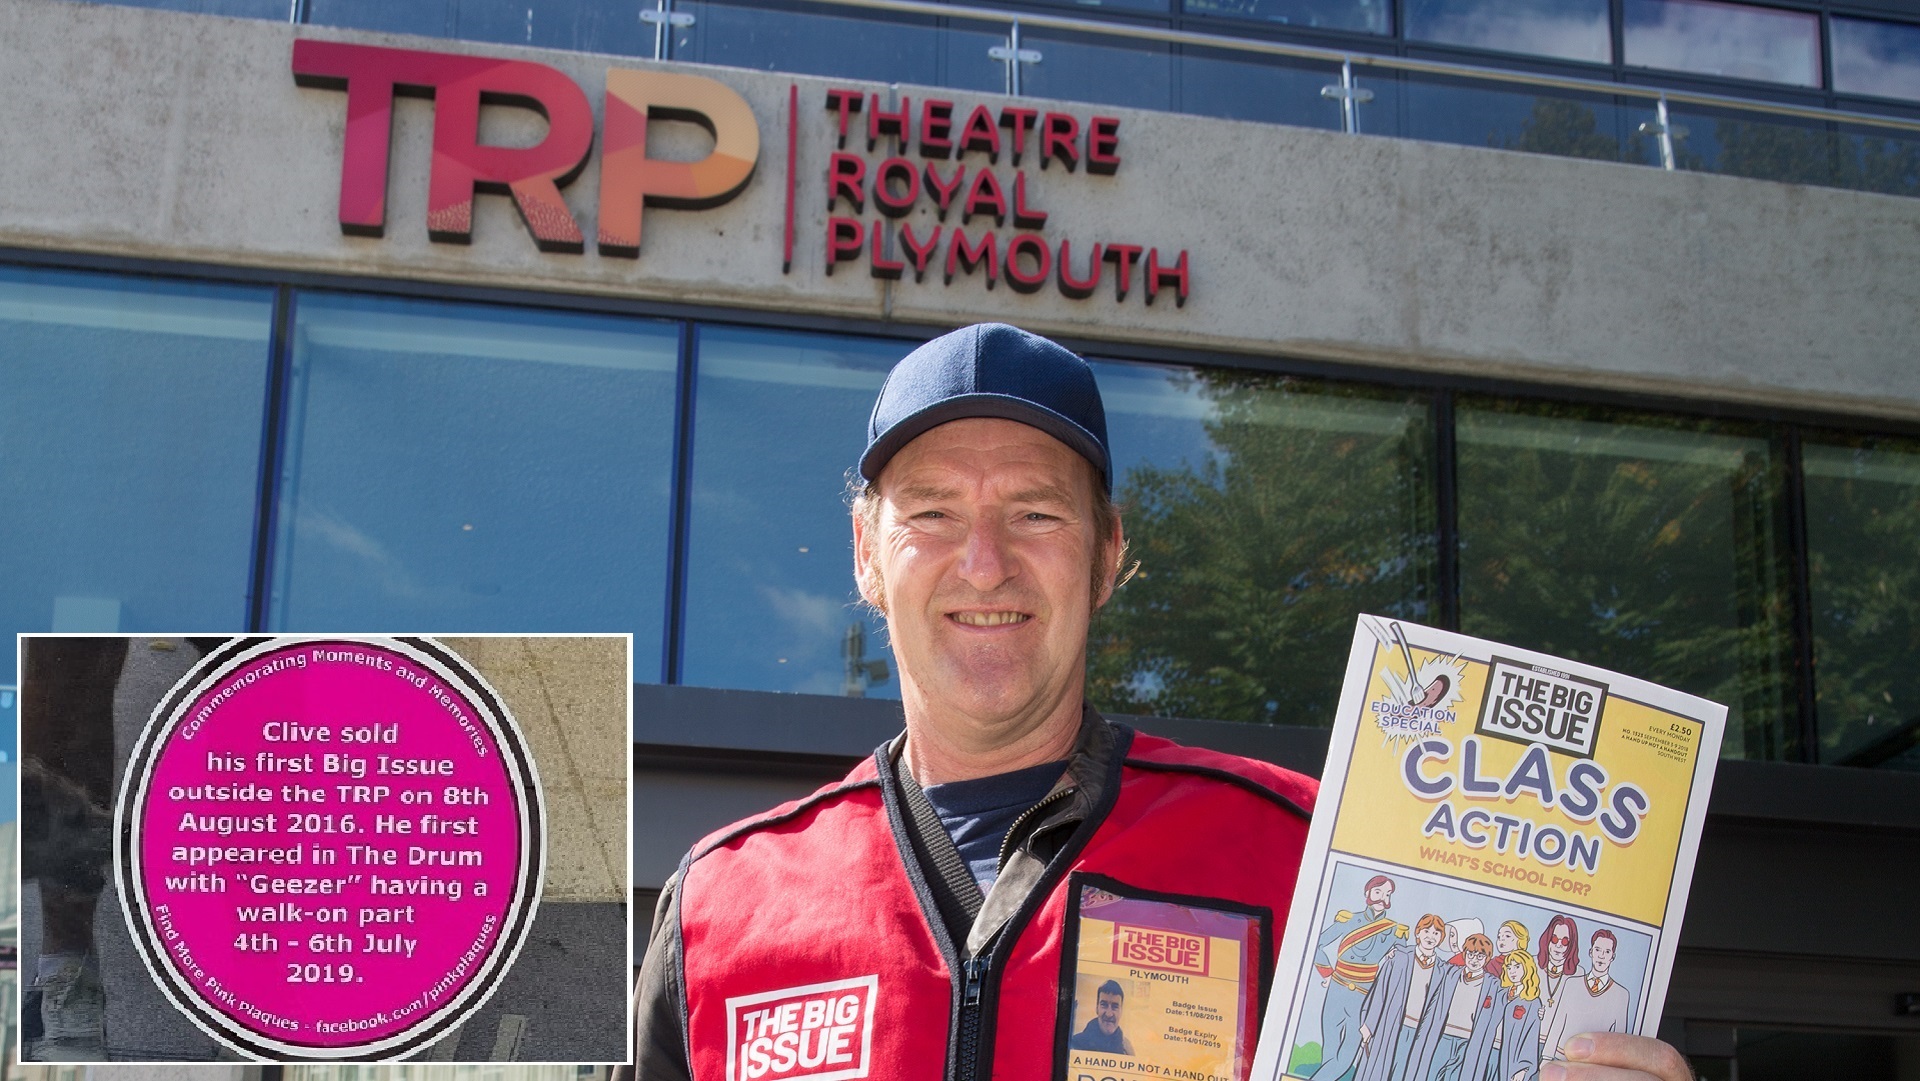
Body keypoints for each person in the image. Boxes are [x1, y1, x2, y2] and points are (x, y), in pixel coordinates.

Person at [617, 323, 1701, 1081]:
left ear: (1108, 555)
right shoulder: (723, 904)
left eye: (1037, 514)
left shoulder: (1305, 859)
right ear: (867, 552)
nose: (984, 564)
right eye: (934, 513)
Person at [1313, 875, 1406, 1079]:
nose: (1383, 898)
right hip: (1337, 989)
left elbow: (1402, 966)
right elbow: (1317, 945)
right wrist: (1327, 973)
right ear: (1367, 893)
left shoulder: (1394, 931)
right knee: (1329, 1051)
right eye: (1378, 892)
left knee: (1347, 1056)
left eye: (1387, 894)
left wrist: (1393, 956)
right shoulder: (1349, 919)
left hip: (1364, 995)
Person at [1354, 912, 1446, 1081]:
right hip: (1390, 1024)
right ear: (1417, 933)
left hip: (1417, 1032)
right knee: (1378, 1070)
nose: (1431, 936)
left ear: (1441, 938)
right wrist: (1369, 1025)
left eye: (1436, 933)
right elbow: (1379, 992)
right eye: (1427, 931)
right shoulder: (1399, 957)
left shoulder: (1442, 970)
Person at [1543, 930, 1634, 1060]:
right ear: (1591, 952)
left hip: (1592, 1065)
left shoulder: (1621, 994)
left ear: (1612, 956)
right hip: (1559, 1057)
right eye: (1597, 950)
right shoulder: (1572, 983)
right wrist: (1546, 1057)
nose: (1601, 956)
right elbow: (1558, 1022)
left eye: (1607, 952)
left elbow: (1619, 1040)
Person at [1069, 979, 1135, 1055]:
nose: (1109, 1014)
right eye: (1104, 1005)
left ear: (1121, 1011)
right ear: (1097, 1008)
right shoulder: (1075, 1044)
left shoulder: (1127, 1051)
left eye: (1115, 1007)